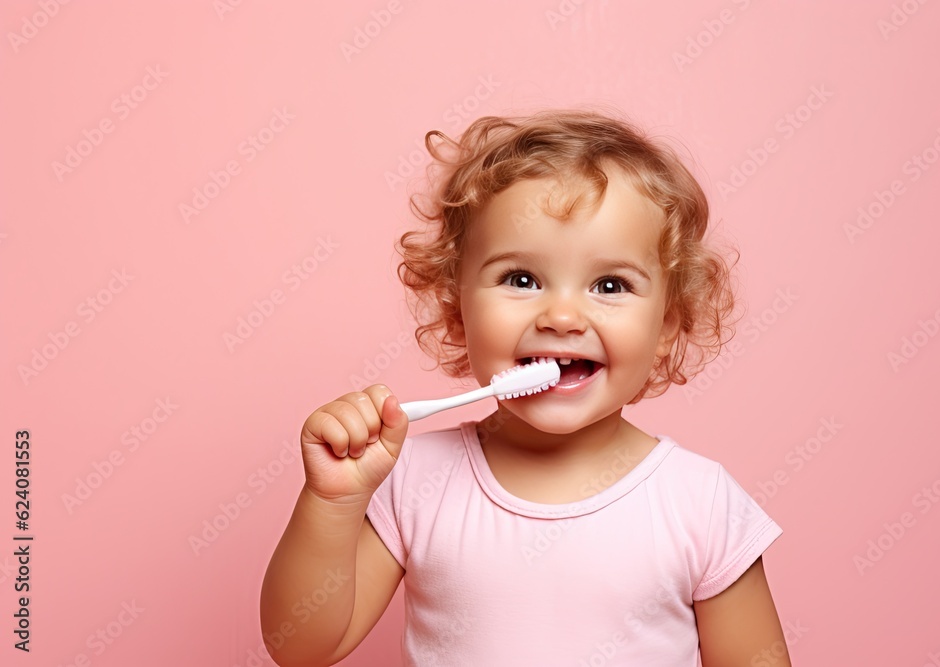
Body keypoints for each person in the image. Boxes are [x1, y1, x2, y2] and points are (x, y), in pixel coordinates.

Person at [260, 108, 791, 666]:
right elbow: (300, 648)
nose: (562, 315)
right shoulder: (412, 480)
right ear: (457, 311)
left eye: (610, 285)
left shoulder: (700, 503)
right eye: (521, 279)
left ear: (666, 326)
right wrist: (332, 501)